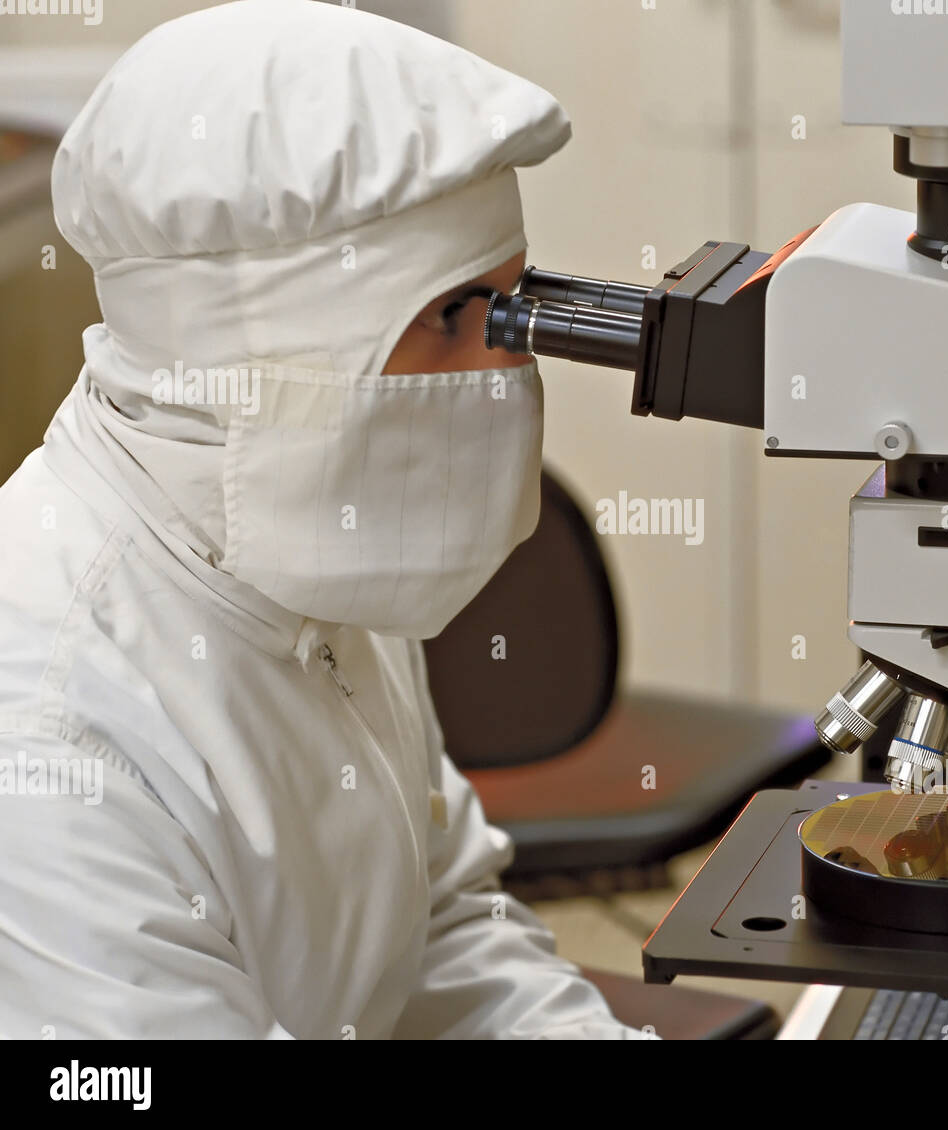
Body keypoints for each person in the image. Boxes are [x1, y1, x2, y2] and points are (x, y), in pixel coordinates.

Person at [0, 0, 648, 1039]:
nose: (509, 367)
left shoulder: (318, 551)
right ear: (273, 354)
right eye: (451, 314)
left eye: (512, 306)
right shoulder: (48, 732)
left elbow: (446, 925)